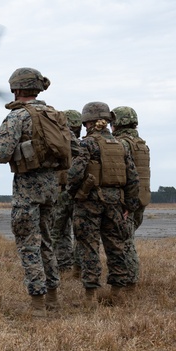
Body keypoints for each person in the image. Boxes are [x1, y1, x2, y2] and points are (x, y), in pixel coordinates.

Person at [0, 68, 69, 316]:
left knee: (28, 244)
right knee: (47, 242)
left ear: (16, 88)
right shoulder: (55, 115)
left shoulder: (17, 117)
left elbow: (2, 154)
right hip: (51, 188)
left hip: (27, 188)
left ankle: (38, 305)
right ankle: (54, 299)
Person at [66, 101, 140, 307]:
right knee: (116, 246)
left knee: (89, 248)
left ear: (86, 122)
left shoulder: (86, 144)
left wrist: (73, 194)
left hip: (89, 202)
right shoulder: (120, 145)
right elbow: (133, 177)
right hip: (115, 203)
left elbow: (74, 174)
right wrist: (129, 205)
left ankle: (91, 297)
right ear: (108, 121)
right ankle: (117, 293)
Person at [112, 106, 150, 285]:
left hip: (127, 200)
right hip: (140, 197)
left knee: (125, 242)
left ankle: (129, 281)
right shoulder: (141, 144)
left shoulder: (122, 144)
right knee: (128, 238)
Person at [50, 109, 83, 286]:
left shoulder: (60, 143)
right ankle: (75, 265)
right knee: (78, 232)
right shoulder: (83, 145)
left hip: (62, 192)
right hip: (77, 193)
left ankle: (60, 264)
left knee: (57, 231)